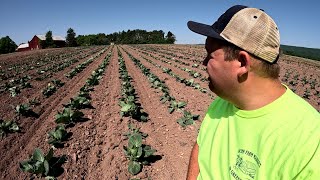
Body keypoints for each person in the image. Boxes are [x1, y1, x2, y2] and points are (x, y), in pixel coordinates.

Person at [186, 5, 320, 180]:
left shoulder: (310, 142)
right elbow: (201, 146)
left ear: (242, 63)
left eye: (210, 55)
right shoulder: (224, 101)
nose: (203, 63)